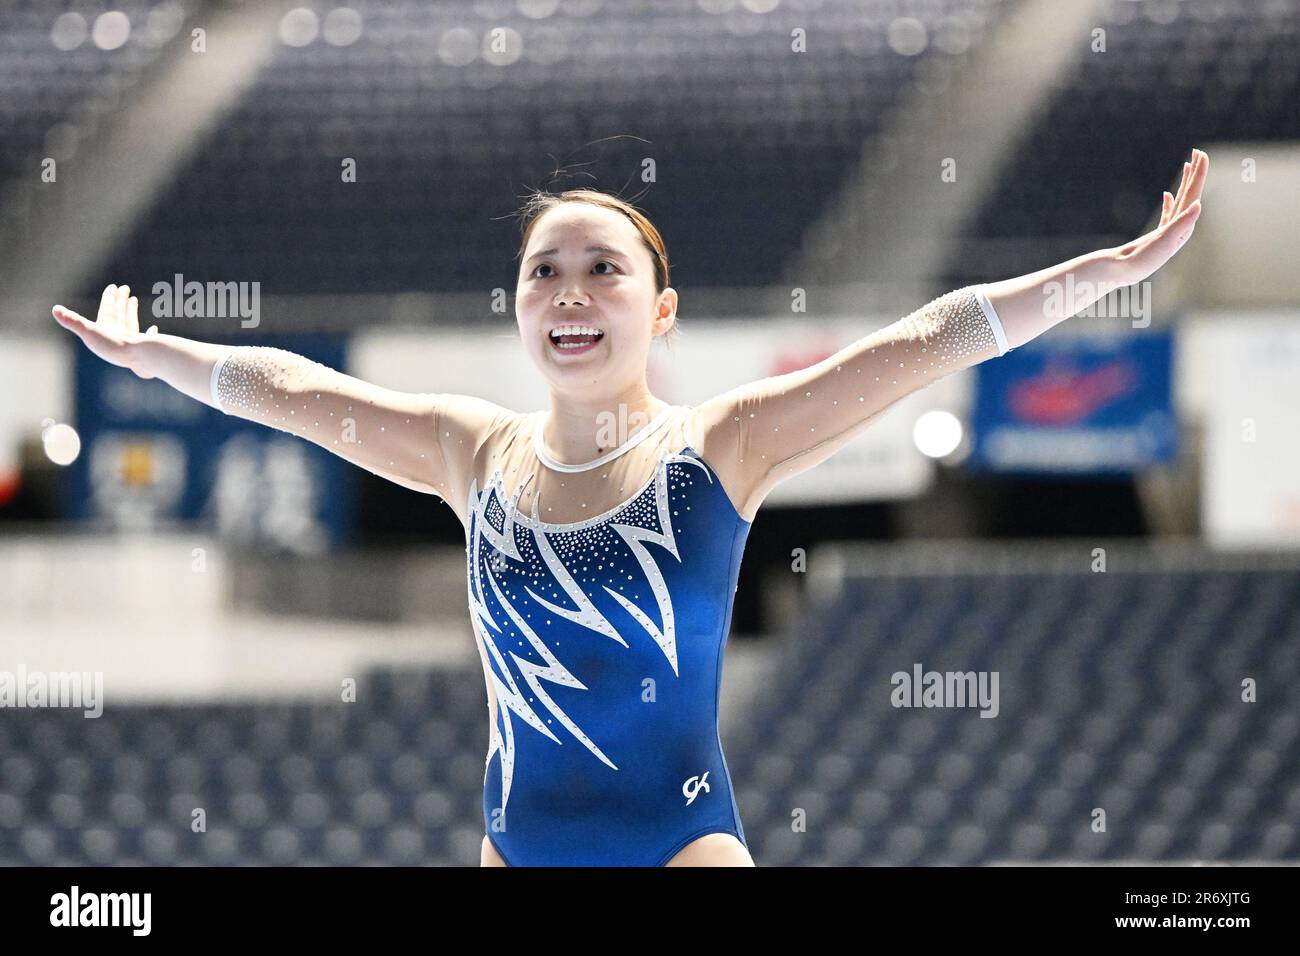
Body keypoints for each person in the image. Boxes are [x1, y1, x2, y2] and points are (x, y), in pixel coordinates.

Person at [52, 149, 1208, 866]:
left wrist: (1096, 275)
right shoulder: (472, 456)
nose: (569, 290)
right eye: (543, 271)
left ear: (661, 311)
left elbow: (919, 342)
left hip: (679, 847)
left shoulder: (721, 447)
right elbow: (304, 395)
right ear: (516, 308)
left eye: (603, 268)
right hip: (518, 845)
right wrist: (158, 358)